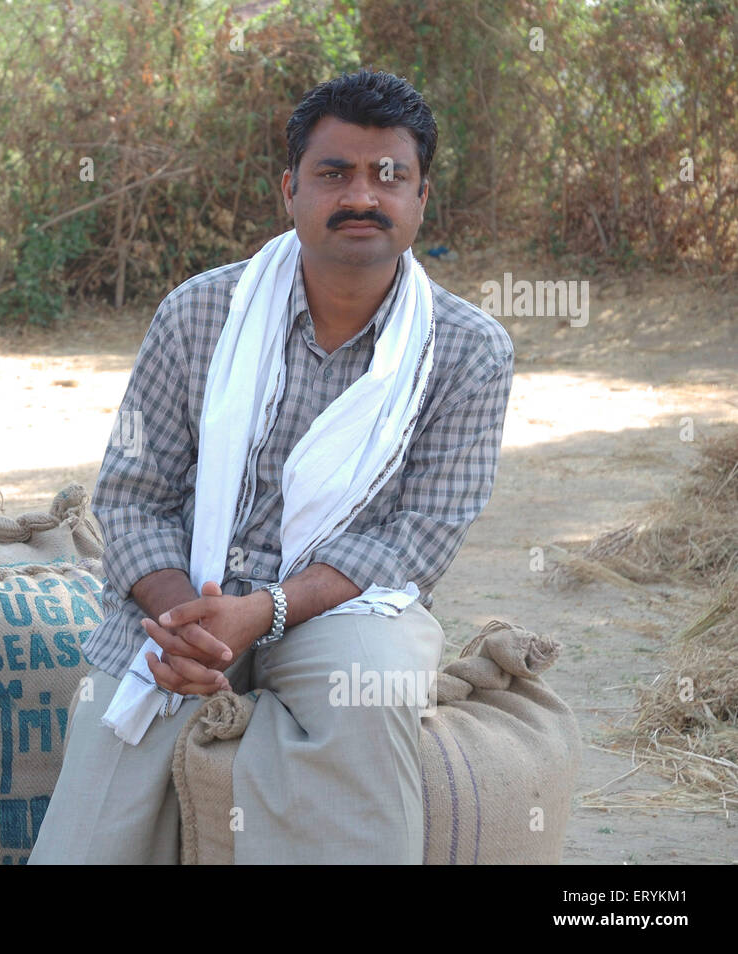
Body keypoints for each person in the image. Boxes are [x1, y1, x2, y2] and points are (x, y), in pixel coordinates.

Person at [29, 69, 514, 864]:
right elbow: (131, 498)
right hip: (184, 604)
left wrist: (266, 613)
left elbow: (417, 541)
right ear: (290, 190)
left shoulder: (468, 350)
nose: (363, 195)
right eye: (334, 173)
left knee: (369, 695)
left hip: (345, 610)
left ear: (422, 199)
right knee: (94, 828)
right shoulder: (199, 312)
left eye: (389, 175)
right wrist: (189, 626)